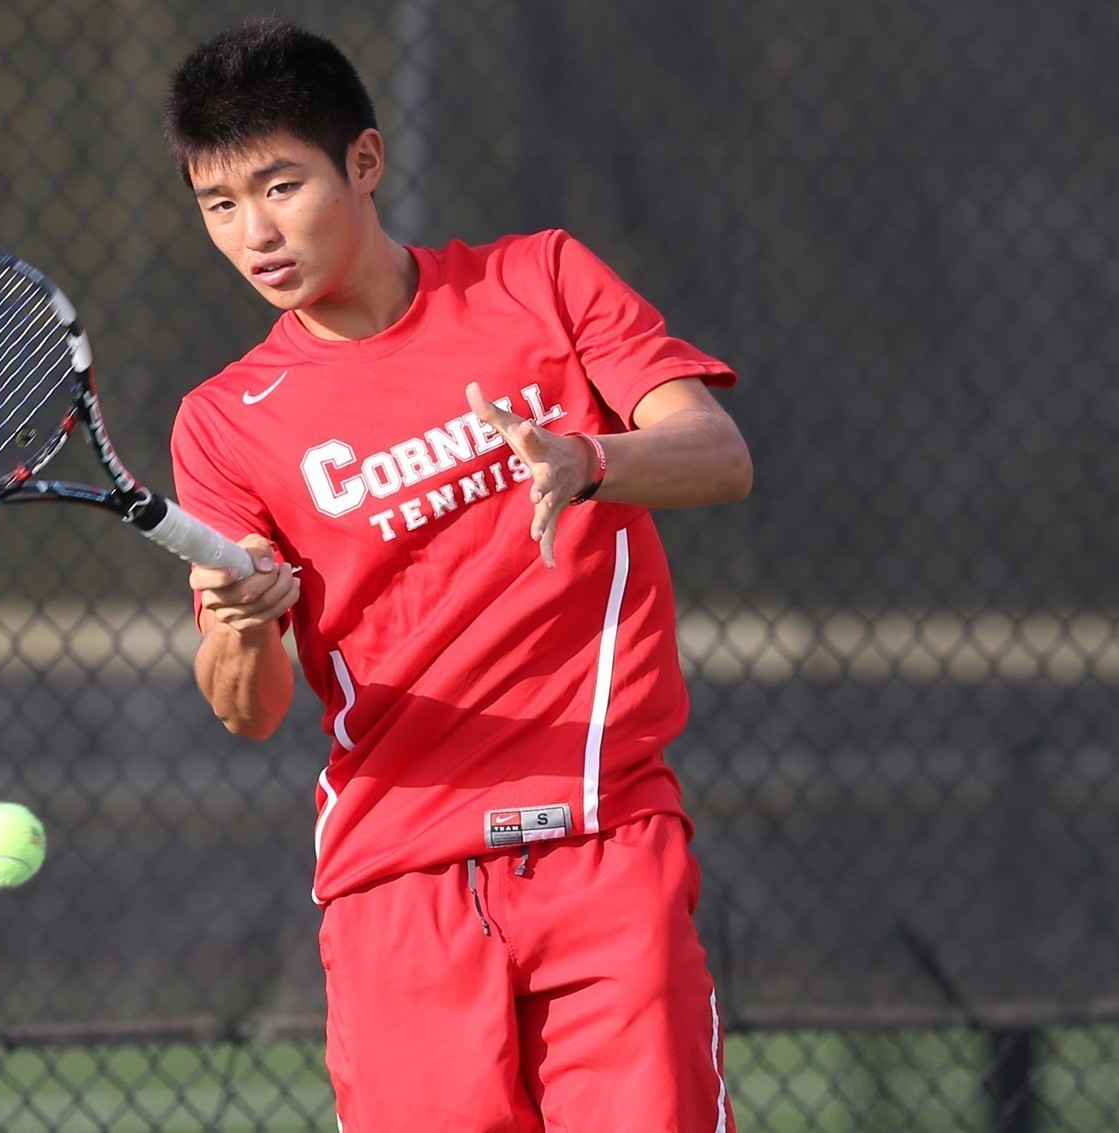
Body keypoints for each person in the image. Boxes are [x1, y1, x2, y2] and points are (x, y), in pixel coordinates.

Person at [162, 17, 751, 1131]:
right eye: (219, 204)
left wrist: (586, 458)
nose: (254, 233)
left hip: (602, 840)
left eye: (280, 185)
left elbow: (717, 457)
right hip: (396, 884)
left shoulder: (542, 282)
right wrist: (240, 627)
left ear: (365, 162)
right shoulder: (222, 426)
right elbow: (249, 708)